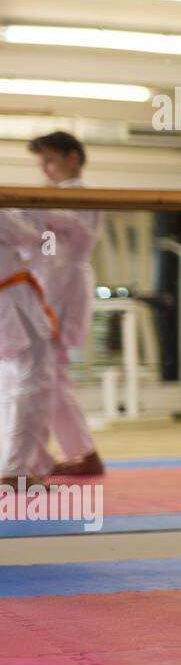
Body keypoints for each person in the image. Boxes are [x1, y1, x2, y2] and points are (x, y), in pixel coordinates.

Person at [25, 131, 105, 479]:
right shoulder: (48, 200)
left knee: (46, 372)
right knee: (45, 373)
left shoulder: (83, 198)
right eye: (41, 162)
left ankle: (75, 453)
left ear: (73, 157)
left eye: (51, 160)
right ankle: (76, 452)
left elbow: (80, 234)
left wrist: (41, 210)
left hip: (65, 286)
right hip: (45, 285)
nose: (45, 169)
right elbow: (39, 245)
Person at [0, 208, 57, 486]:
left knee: (9, 383)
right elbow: (29, 236)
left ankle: (16, 464)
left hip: (9, 297)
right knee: (33, 381)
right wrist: (31, 209)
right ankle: (15, 472)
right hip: (9, 300)